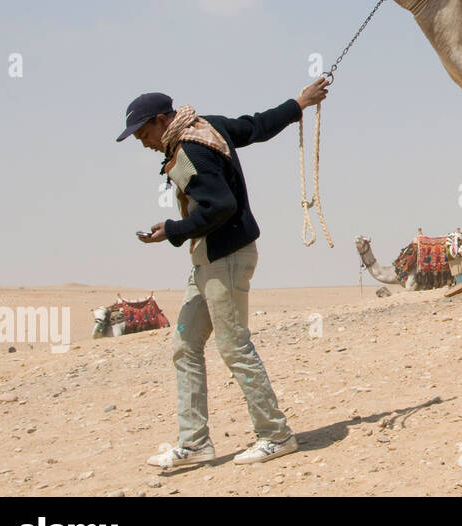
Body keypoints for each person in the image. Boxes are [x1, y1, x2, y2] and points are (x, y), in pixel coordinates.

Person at [118, 77, 330, 468]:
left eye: (143, 131)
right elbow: (255, 126)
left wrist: (173, 230)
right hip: (207, 260)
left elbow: (221, 207)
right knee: (184, 345)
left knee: (234, 347)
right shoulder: (207, 125)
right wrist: (299, 103)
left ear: (163, 120)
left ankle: (276, 435)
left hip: (225, 259)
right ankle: (194, 443)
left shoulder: (189, 151)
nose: (141, 141)